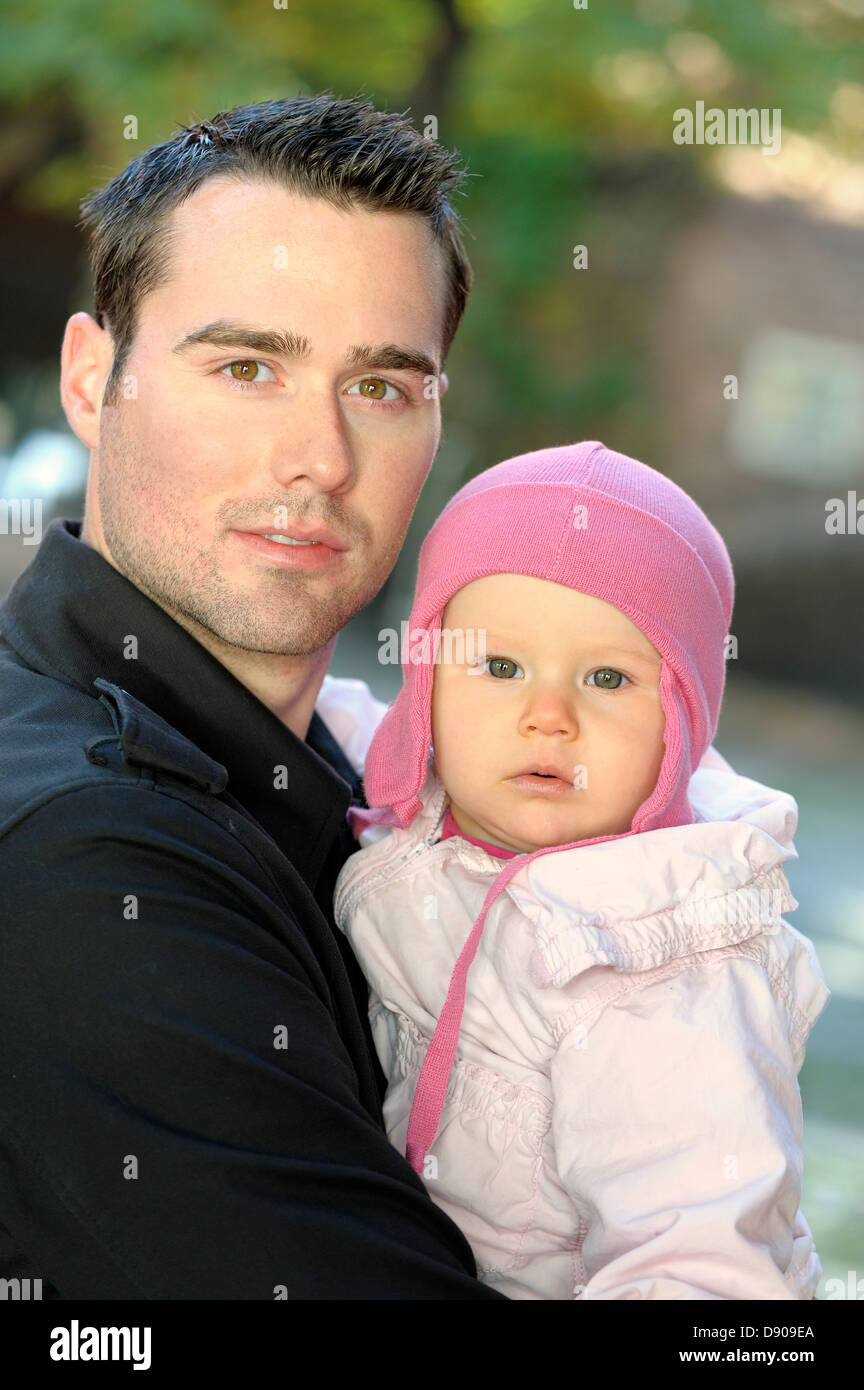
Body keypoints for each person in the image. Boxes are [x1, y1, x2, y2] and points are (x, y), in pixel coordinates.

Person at [0, 94, 507, 1299]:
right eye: (246, 366)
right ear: (91, 379)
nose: (320, 461)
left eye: (382, 387)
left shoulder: (358, 777)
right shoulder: (83, 851)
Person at [336, 440, 831, 1301]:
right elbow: (325, 712)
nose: (547, 717)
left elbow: (703, 1270)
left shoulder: (662, 978)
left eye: (607, 677)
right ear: (427, 686)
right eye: (499, 667)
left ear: (682, 722)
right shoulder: (431, 801)